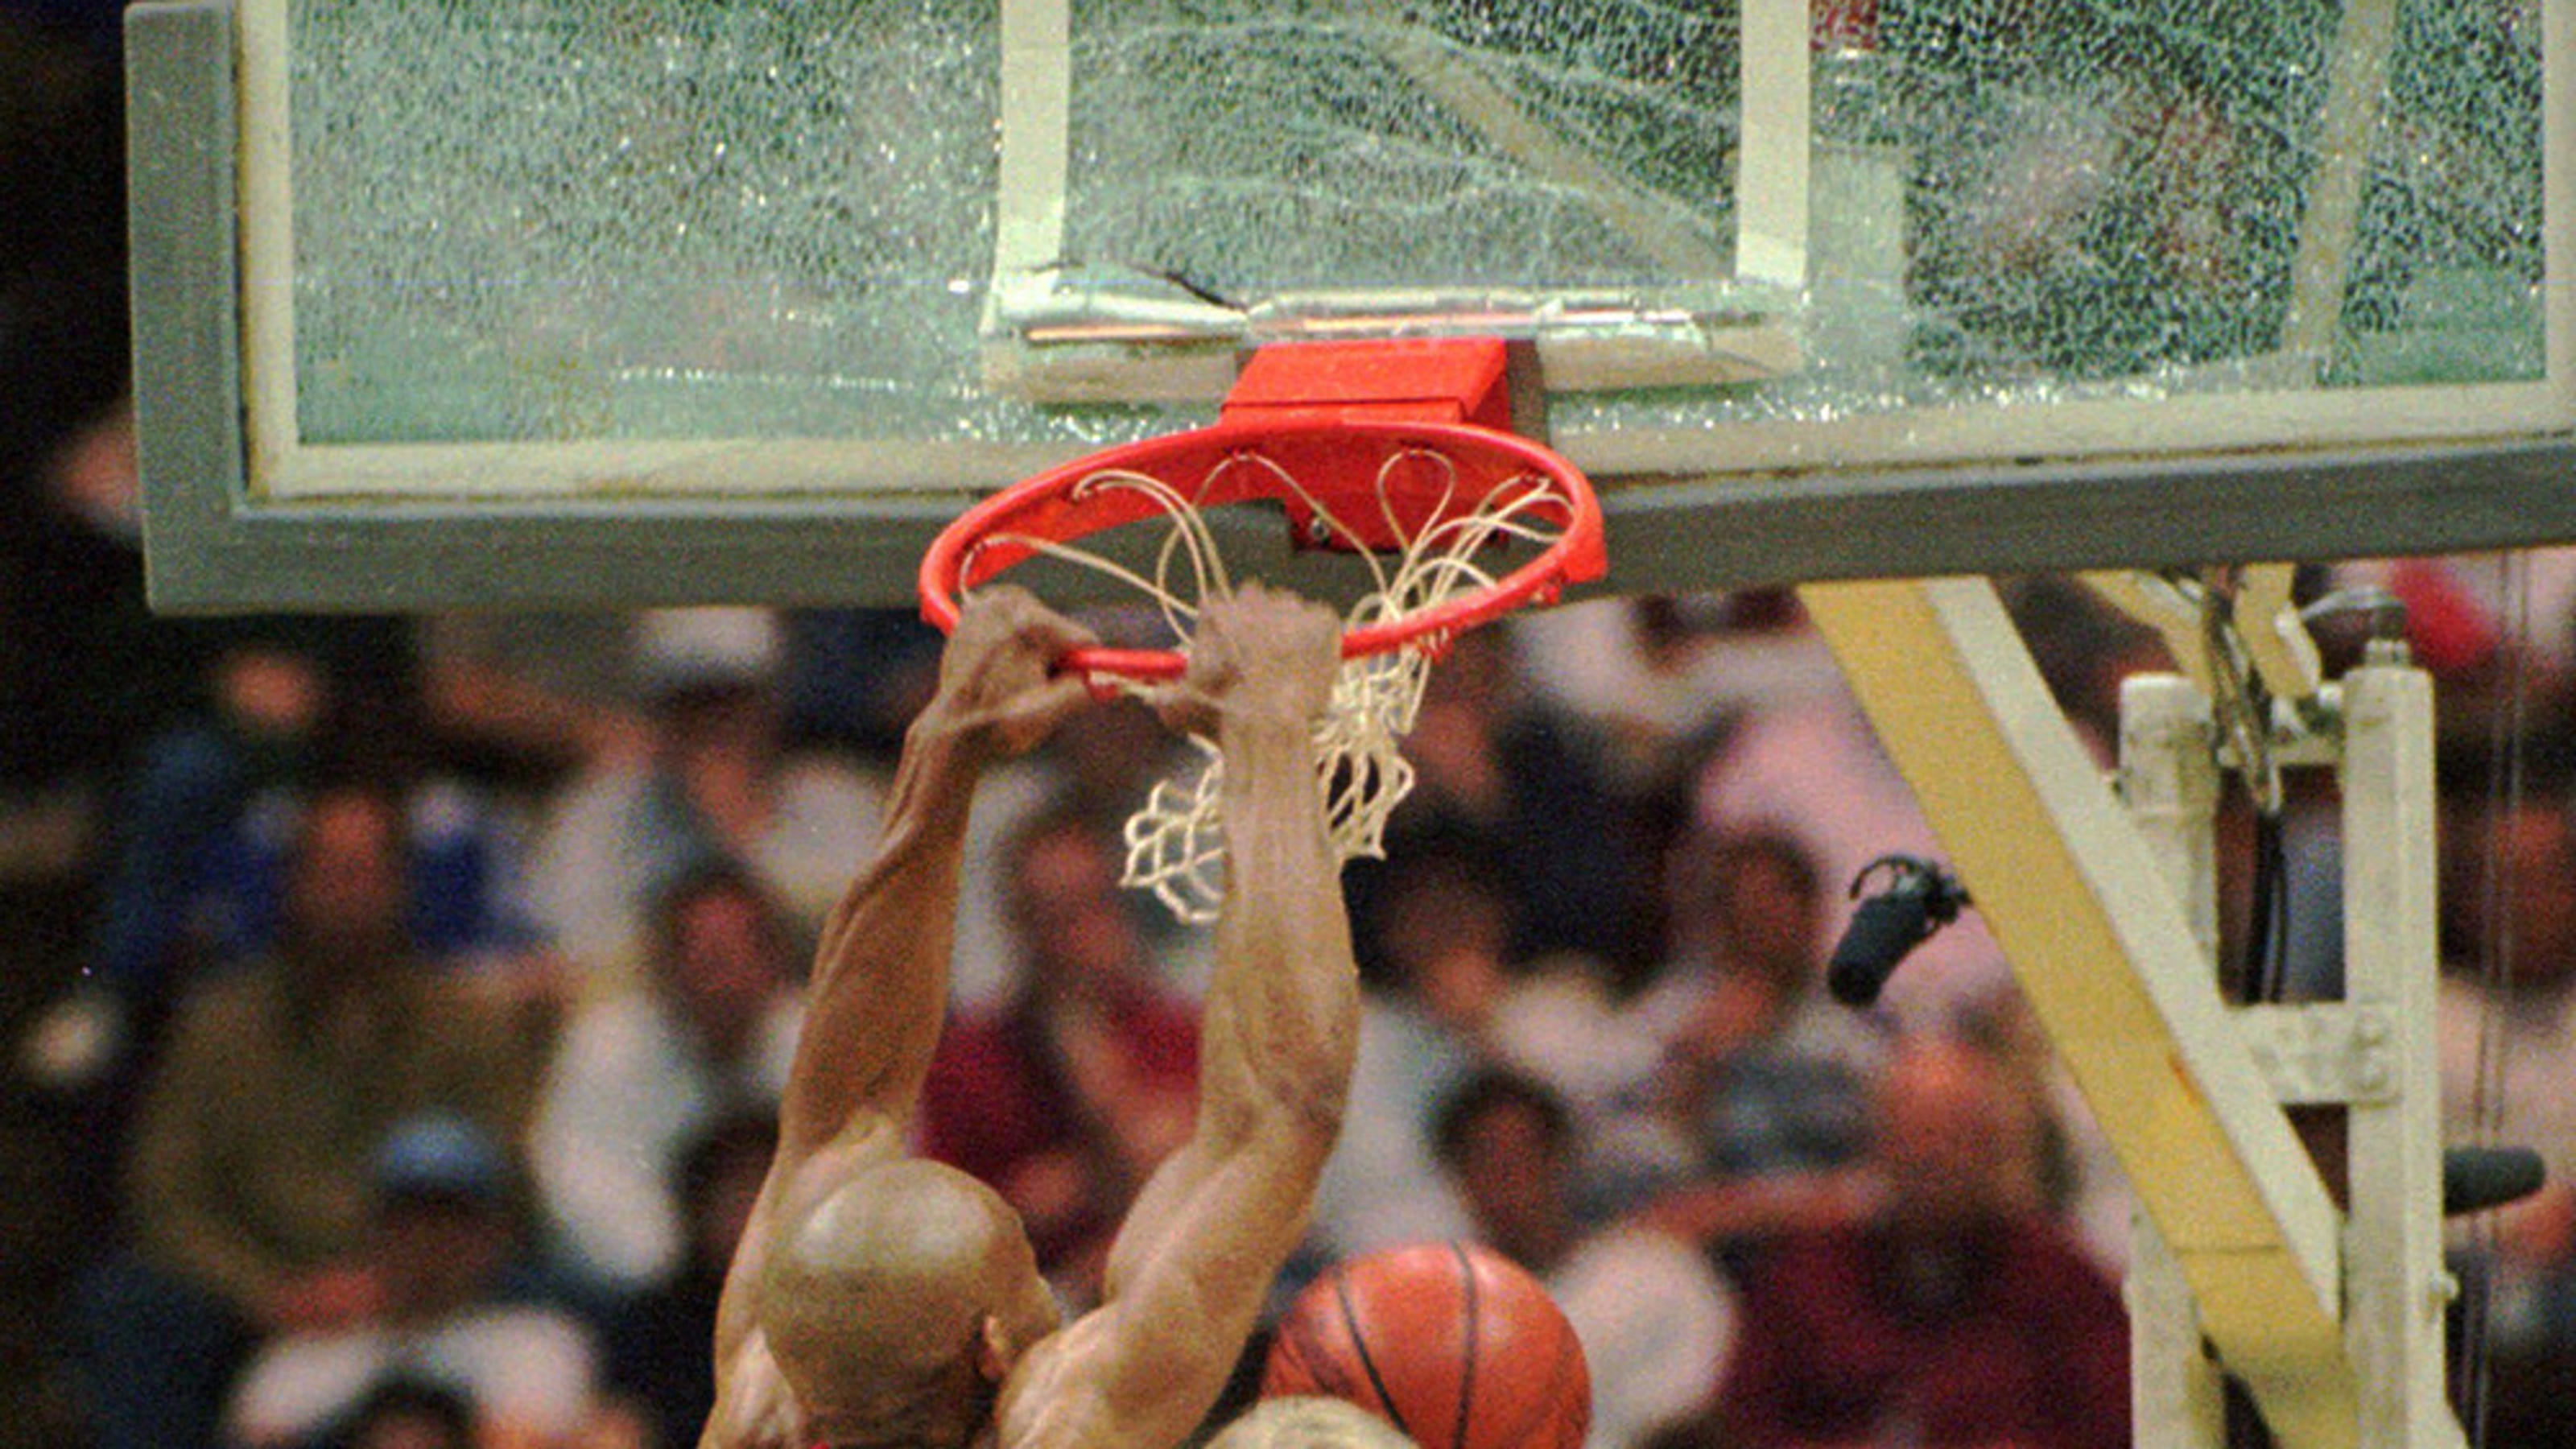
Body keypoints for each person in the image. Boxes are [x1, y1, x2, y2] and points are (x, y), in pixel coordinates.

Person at [699, 583, 1362, 1449]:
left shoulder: (765, 1400)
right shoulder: (1063, 1428)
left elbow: (840, 1112)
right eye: (1016, 1259)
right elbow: (1283, 1113)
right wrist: (1269, 727)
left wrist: (951, 739)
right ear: (988, 1348)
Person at [1714, 1037, 2128, 1449]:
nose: (1930, 1158)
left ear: (1996, 1150)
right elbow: (1744, 1426)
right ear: (1877, 1145)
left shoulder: (2061, 1282)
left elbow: (2117, 1423)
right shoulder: (1808, 1276)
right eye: (1914, 1133)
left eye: (1954, 1136)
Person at [225, 1115, 611, 1449]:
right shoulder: (301, 1360)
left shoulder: (535, 1343)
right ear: (374, 1230)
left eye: (452, 1221)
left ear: (494, 1236)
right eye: (408, 1220)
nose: (429, 1242)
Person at [531, 865, 805, 1295]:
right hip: (650, 1283)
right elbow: (576, 1183)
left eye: (735, 954)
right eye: (704, 957)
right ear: (663, 967)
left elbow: (873, 1167)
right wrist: (687, 1268)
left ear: (777, 959)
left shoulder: (822, 1042)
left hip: (797, 1279)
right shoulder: (607, 1044)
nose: (720, 979)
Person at [1434, 1070, 1736, 1449]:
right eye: (1485, 1159)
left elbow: (1694, 1417)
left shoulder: (1656, 1271)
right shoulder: (1446, 1322)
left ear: (1562, 1159)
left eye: (1523, 1154)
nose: (1507, 1177)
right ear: (1456, 1178)